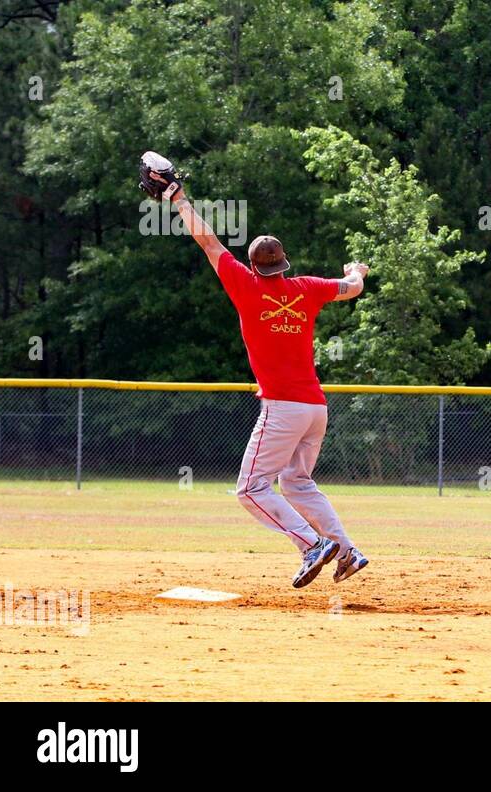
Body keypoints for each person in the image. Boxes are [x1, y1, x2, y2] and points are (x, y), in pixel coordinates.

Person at [150, 158, 369, 588]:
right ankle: (346, 550)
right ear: (283, 263)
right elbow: (353, 288)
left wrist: (177, 198)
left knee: (250, 489)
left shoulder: (246, 285)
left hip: (283, 407)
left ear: (255, 266)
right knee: (298, 482)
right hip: (315, 408)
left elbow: (209, 242)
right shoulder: (307, 288)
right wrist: (356, 270)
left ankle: (311, 544)